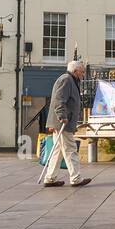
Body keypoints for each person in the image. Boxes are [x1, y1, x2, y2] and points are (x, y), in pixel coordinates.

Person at [42, 60, 91, 189]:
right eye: (82, 71)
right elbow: (59, 100)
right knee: (70, 150)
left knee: (57, 152)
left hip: (63, 122)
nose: (83, 74)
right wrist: (62, 116)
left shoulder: (71, 80)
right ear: (75, 71)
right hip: (62, 122)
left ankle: (50, 178)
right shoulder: (66, 80)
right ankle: (76, 178)